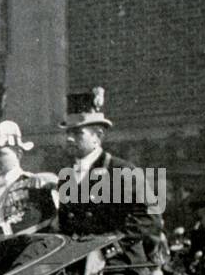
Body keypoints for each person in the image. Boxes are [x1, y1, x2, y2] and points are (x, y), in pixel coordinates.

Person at [43, 87, 160, 243]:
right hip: (79, 261)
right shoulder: (67, 175)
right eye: (68, 132)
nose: (69, 138)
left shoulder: (122, 171)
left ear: (97, 136)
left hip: (118, 262)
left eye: (78, 133)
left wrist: (104, 251)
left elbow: (149, 222)